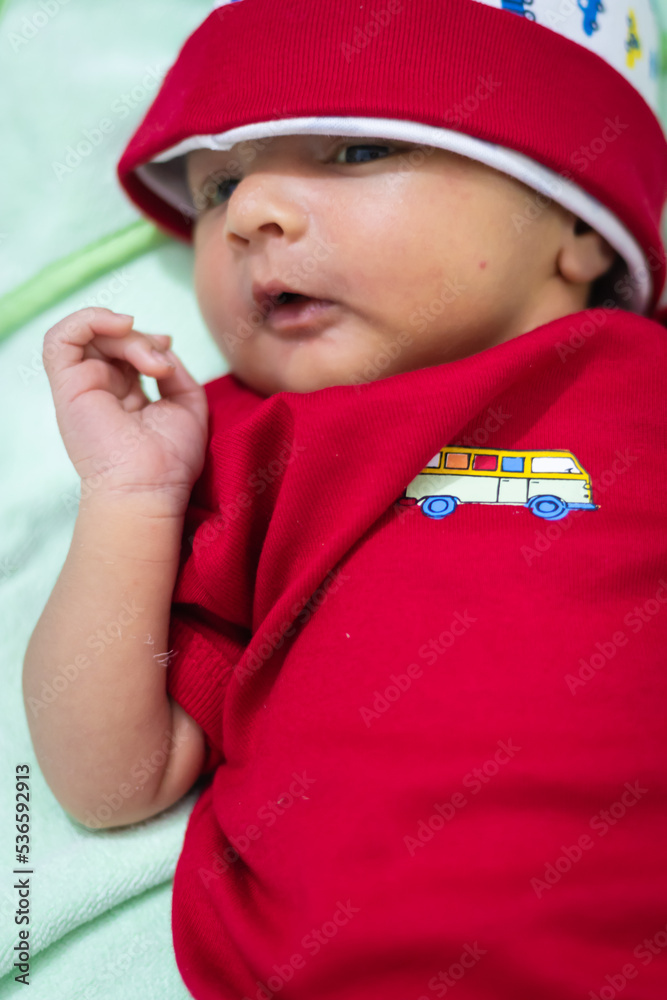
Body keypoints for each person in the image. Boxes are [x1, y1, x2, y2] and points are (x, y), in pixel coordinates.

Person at [23, 1, 667, 997]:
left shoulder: (641, 388)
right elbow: (110, 783)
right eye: (217, 185)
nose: (248, 216)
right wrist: (130, 495)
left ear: (578, 224)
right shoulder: (244, 447)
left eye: (357, 151)